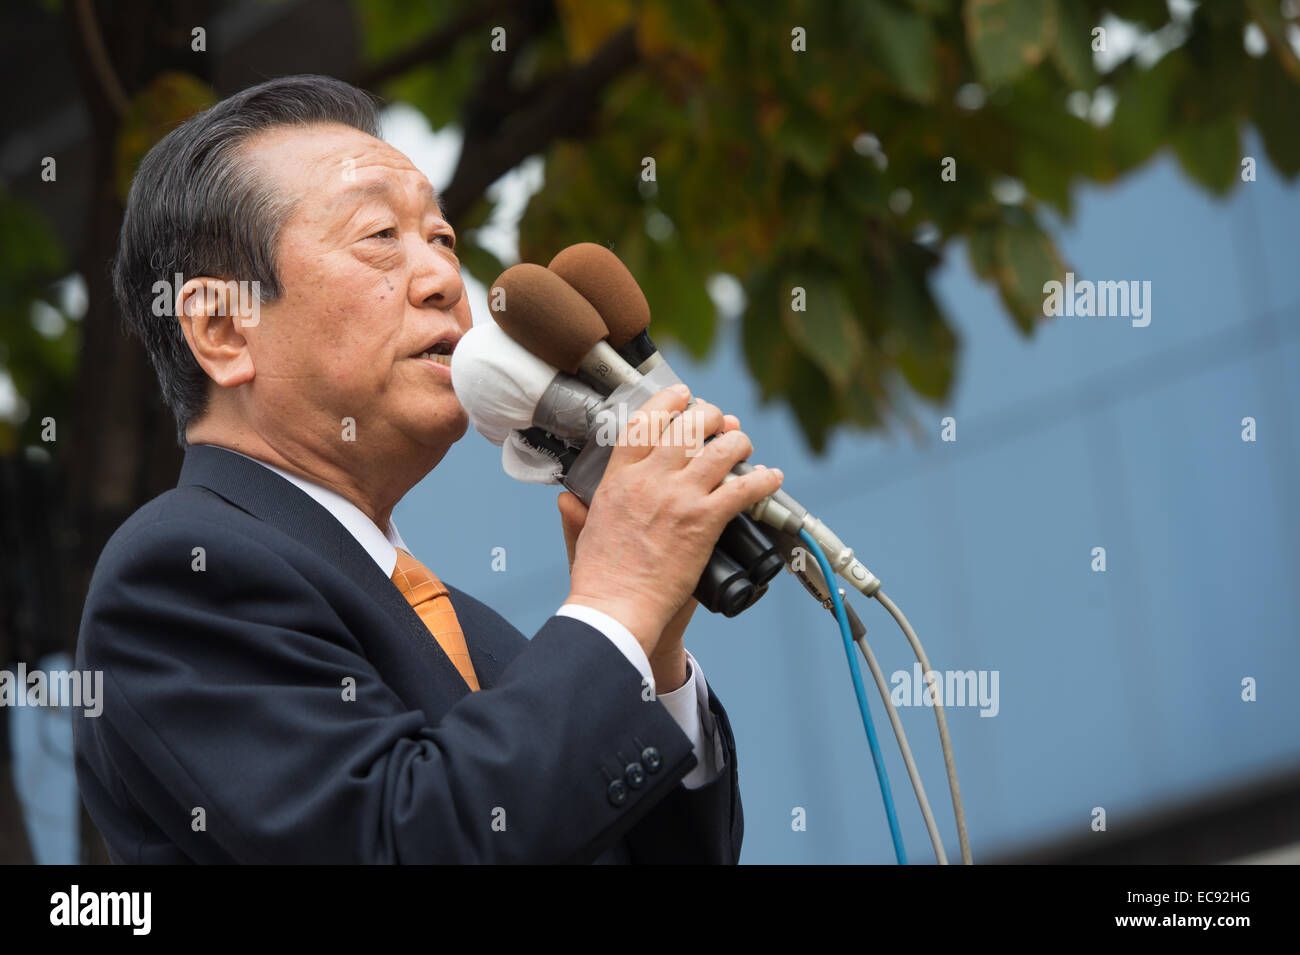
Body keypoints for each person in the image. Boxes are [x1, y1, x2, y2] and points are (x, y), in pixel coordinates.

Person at [72, 74, 783, 863]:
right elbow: (398, 845)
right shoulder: (179, 575)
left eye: (441, 239)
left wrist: (649, 650)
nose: (446, 280)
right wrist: (614, 600)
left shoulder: (484, 636)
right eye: (379, 236)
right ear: (222, 327)